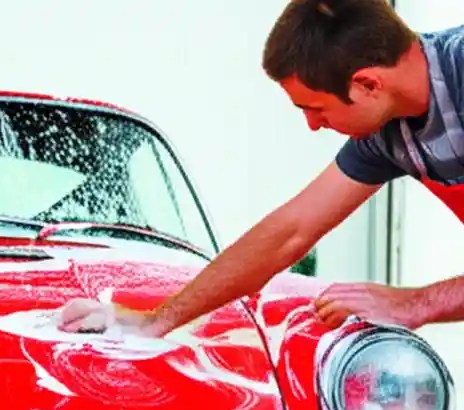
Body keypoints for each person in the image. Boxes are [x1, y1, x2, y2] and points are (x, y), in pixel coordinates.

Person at [59, 0, 464, 337]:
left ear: (369, 84)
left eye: (316, 108)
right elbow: (290, 231)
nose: (313, 125)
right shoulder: (385, 132)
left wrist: (414, 303)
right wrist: (157, 322)